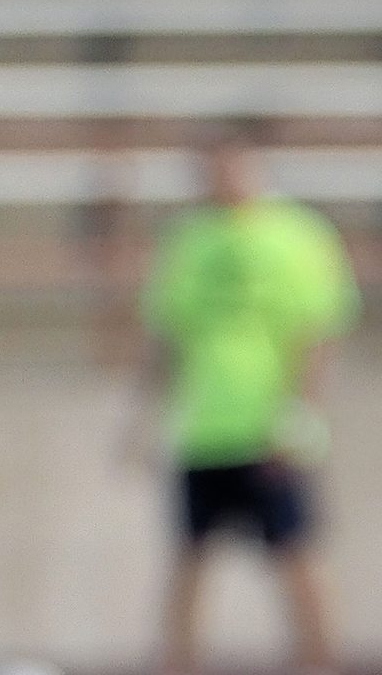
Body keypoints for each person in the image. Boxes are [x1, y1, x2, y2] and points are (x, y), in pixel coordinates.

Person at [142, 129, 359, 675]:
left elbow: (319, 329)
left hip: (268, 426)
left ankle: (321, 661)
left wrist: (301, 414)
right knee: (190, 554)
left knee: (296, 552)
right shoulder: (189, 240)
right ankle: (178, 664)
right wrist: (147, 415)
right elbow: (170, 335)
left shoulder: (297, 235)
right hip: (205, 428)